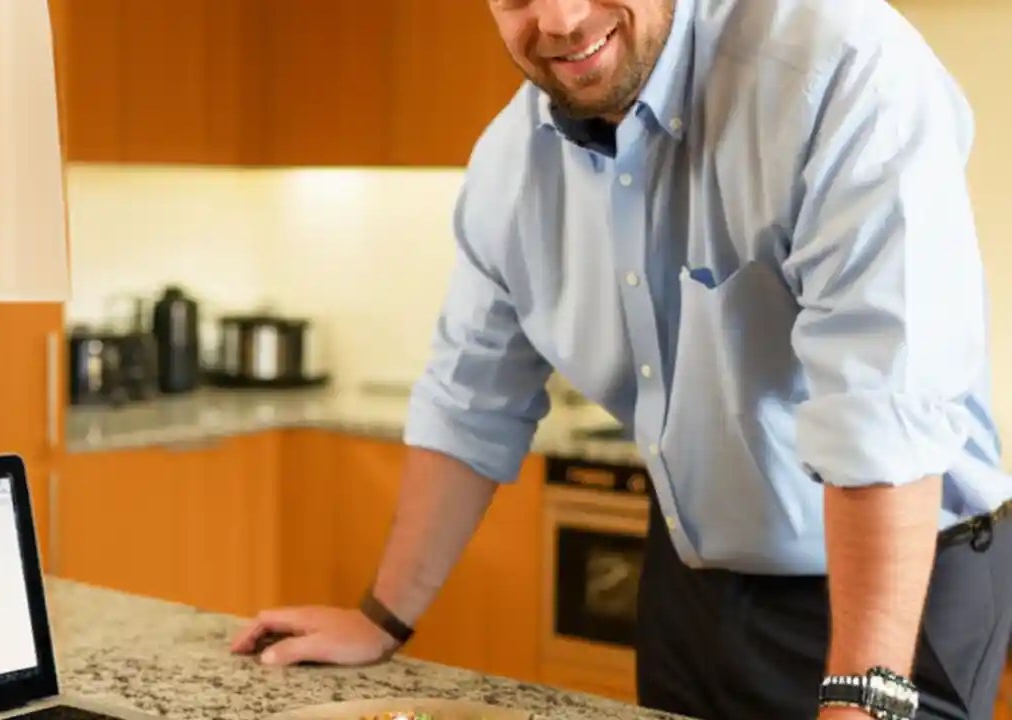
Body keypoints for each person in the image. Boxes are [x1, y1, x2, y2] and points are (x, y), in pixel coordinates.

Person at [230, 0, 1012, 717]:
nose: (562, 19)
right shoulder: (512, 163)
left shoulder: (839, 68)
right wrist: (379, 618)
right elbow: (471, 402)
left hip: (899, 585)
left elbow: (881, 409)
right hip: (693, 582)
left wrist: (861, 697)